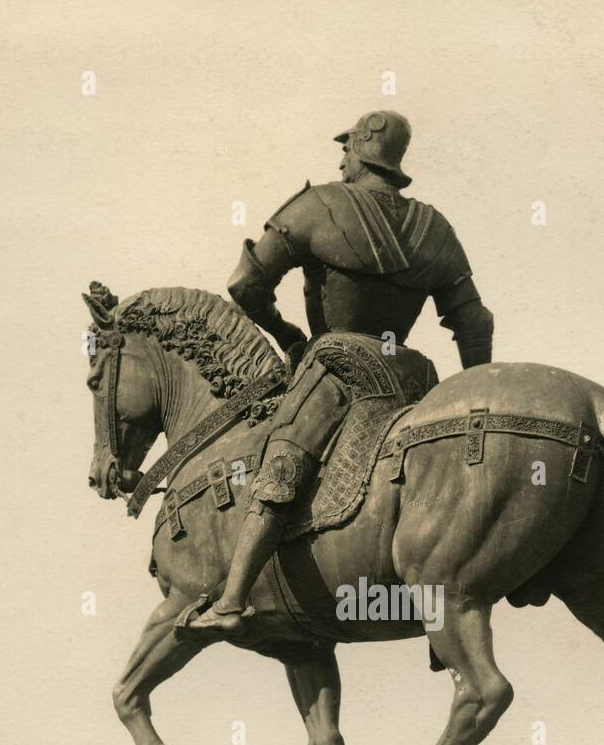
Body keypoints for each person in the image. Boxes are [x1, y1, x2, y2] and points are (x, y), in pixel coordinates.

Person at [179, 110, 494, 642]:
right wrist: (474, 390)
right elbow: (473, 320)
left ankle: (232, 600)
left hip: (339, 362)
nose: (340, 156)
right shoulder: (434, 227)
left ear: (364, 148)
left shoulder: (318, 204)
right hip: (412, 379)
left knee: (281, 463)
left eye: (346, 146)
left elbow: (245, 284)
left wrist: (287, 336)